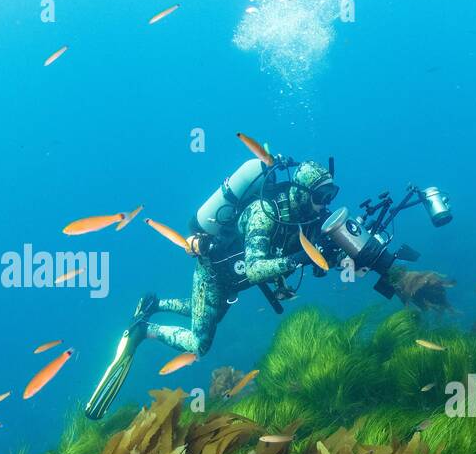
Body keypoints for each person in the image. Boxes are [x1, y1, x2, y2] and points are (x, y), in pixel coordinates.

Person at [85, 159, 339, 419]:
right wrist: (299, 259)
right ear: (302, 192)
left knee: (208, 312)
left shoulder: (300, 218)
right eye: (321, 195)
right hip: (214, 274)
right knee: (199, 344)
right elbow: (254, 269)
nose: (325, 202)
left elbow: (291, 252)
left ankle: (155, 304)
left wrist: (322, 260)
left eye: (331, 194)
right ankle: (144, 330)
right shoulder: (264, 213)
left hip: (231, 280)